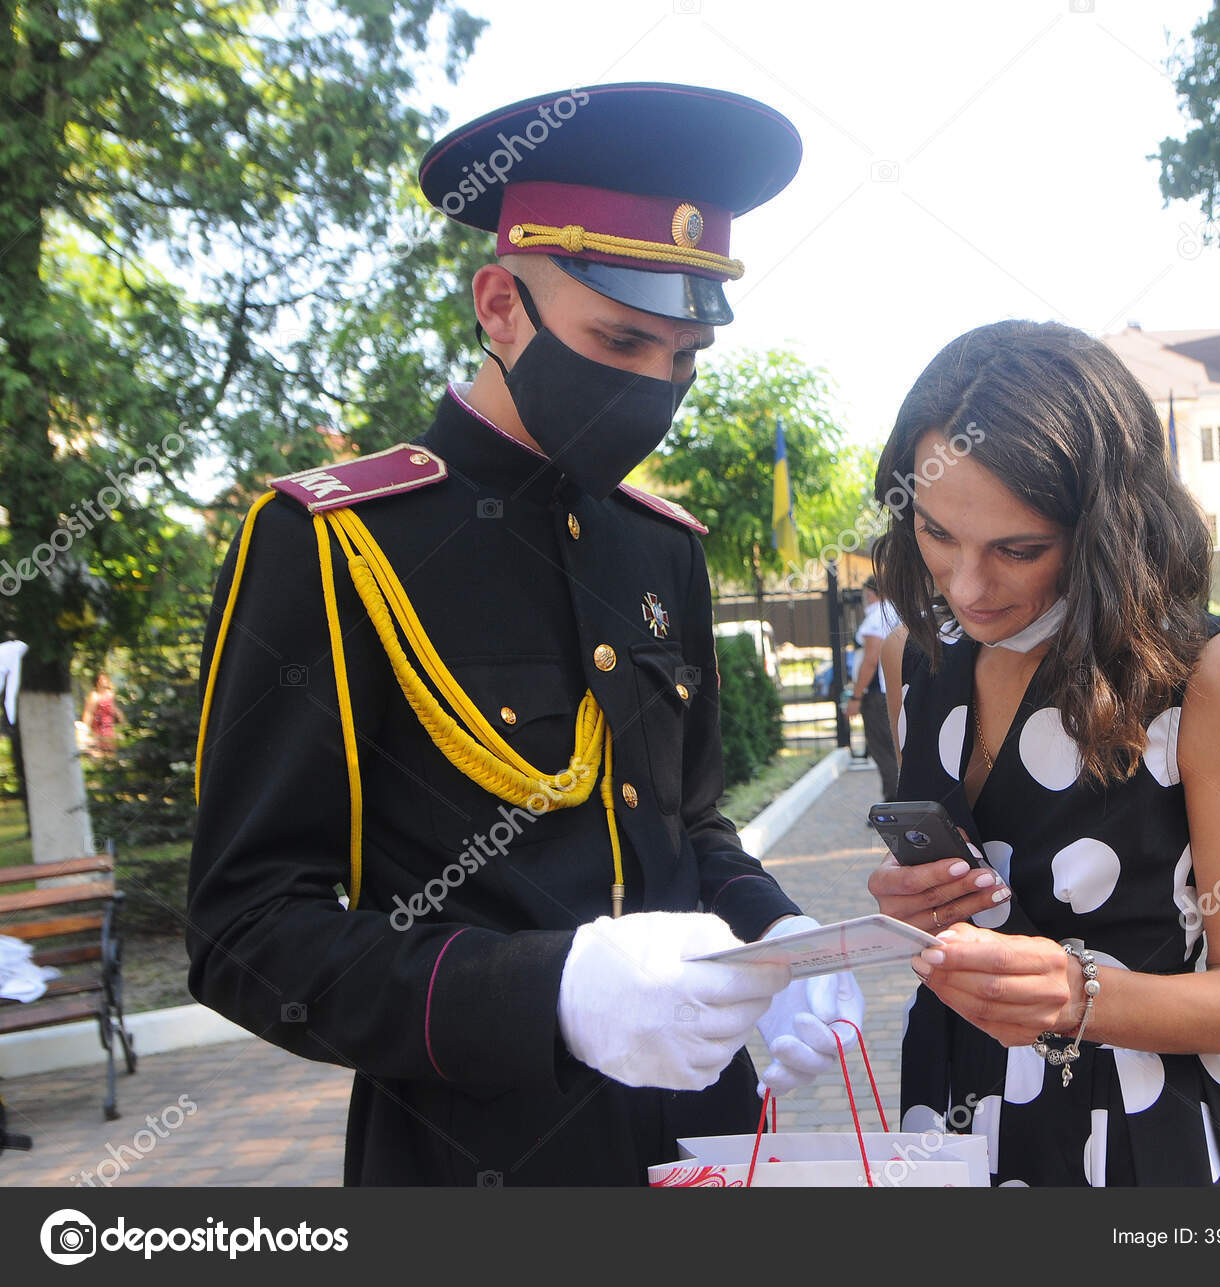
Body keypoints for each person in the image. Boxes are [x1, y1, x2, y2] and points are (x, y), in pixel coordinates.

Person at [186, 83, 863, 1187]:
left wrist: (774, 935)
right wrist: (546, 994)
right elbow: (244, 932)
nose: (655, 387)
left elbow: (688, 826)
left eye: (684, 357)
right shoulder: (336, 541)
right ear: (500, 304)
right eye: (621, 338)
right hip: (478, 1156)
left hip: (704, 1137)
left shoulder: (661, 550)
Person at [866, 322, 1220, 1186]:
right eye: (938, 533)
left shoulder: (1202, 673)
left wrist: (1078, 992)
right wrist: (915, 909)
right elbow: (967, 914)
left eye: (1017, 549)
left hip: (1126, 1137)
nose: (966, 584)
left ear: (1104, 528)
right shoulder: (924, 656)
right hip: (950, 1118)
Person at [846, 575, 900, 797]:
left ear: (871, 593)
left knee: (884, 751)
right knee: (897, 749)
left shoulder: (876, 617)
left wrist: (856, 697)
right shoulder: (899, 613)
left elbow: (870, 659)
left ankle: (893, 804)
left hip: (878, 695)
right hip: (897, 690)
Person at [80, 672, 122, 757]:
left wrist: (120, 717)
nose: (104, 682)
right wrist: (85, 728)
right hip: (99, 725)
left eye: (105, 679)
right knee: (99, 748)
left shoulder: (110, 694)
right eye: (102, 680)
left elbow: (113, 707)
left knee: (111, 748)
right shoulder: (94, 696)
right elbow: (89, 712)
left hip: (108, 725)